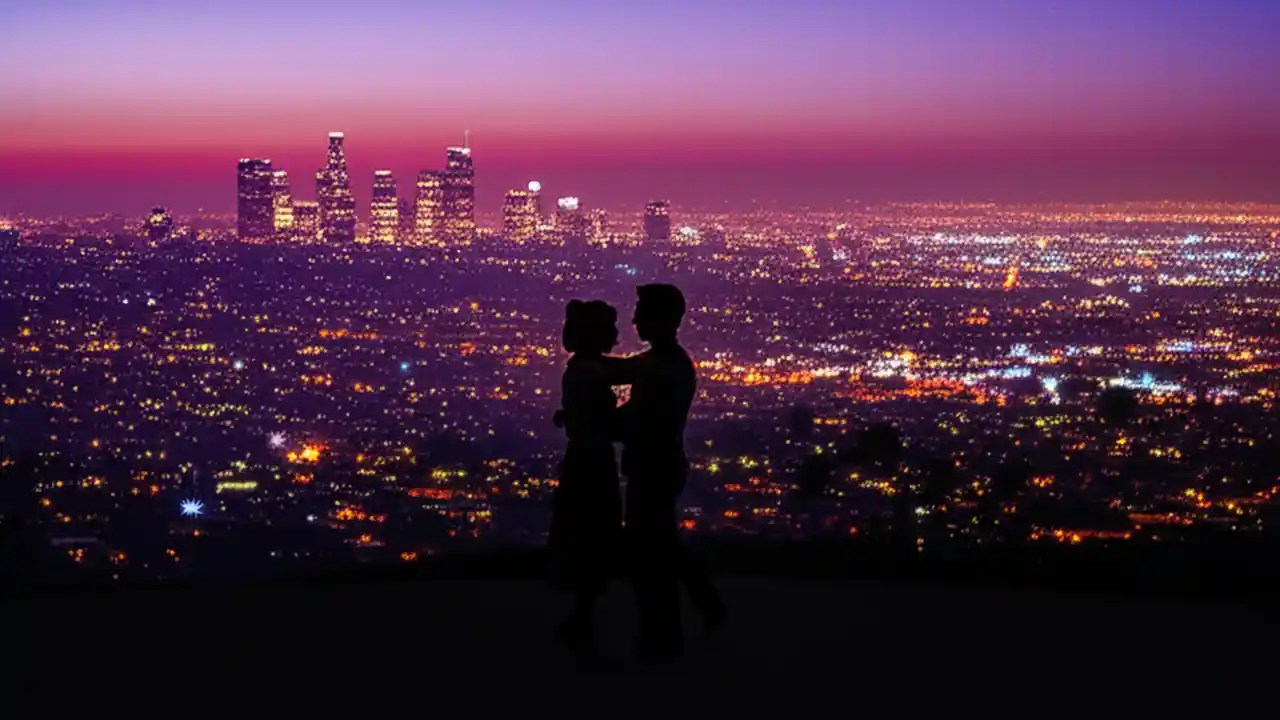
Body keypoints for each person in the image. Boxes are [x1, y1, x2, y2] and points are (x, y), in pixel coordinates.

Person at [603, 284, 725, 661]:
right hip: (661, 464)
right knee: (661, 545)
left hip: (653, 466)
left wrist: (598, 416)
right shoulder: (668, 362)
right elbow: (624, 371)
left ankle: (667, 629)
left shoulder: (660, 368)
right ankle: (696, 611)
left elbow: (632, 408)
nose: (634, 318)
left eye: (641, 311)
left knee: (651, 551)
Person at [548, 299, 623, 658]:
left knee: (583, 532)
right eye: (610, 329)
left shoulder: (580, 367)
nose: (617, 335)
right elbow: (625, 375)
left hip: (584, 457)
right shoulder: (589, 372)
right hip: (593, 461)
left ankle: (582, 617)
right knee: (592, 531)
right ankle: (584, 621)